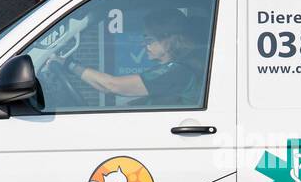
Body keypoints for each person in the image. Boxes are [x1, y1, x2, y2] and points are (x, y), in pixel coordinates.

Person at [57, 8, 204, 107]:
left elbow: (112, 85)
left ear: (167, 40)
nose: (143, 44)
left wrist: (69, 64)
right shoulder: (180, 69)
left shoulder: (177, 72)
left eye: (148, 39)